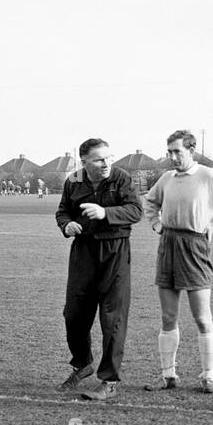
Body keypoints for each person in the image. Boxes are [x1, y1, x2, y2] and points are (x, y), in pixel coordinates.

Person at [143, 129, 213, 393]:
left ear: (191, 150)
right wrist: (157, 223)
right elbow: (150, 202)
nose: (172, 157)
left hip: (195, 246)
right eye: (169, 152)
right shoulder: (167, 178)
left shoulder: (209, 175)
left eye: (177, 151)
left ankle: (208, 376)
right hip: (168, 244)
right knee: (168, 316)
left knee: (202, 317)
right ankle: (168, 375)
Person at [55, 138, 142, 400]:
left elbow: (135, 211)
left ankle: (109, 380)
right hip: (83, 253)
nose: (106, 164)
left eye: (108, 158)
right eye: (98, 159)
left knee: (112, 318)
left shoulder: (121, 178)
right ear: (84, 162)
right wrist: (67, 225)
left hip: (114, 252)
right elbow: (62, 212)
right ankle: (82, 364)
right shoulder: (73, 181)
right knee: (73, 314)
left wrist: (105, 213)